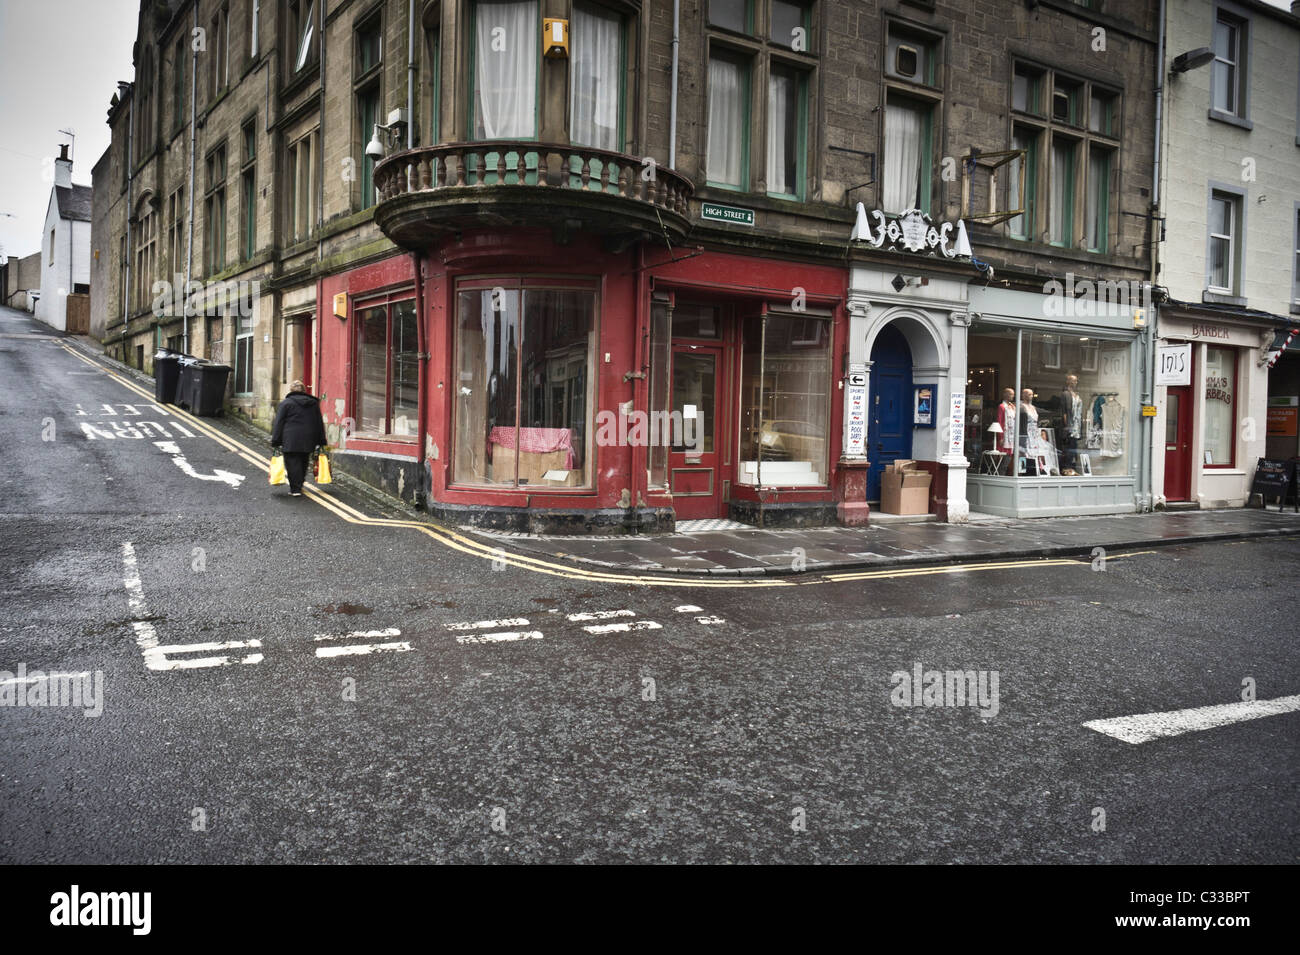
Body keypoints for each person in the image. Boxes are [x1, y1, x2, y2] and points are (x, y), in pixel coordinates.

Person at [271, 380, 327, 497]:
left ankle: (295, 489)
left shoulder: (285, 404)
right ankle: (299, 484)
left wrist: (276, 440)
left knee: (292, 464)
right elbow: (319, 423)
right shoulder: (313, 403)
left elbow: (279, 423)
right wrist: (321, 440)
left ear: (291, 390)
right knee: (303, 461)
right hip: (308, 438)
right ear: (303, 390)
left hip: (290, 439)